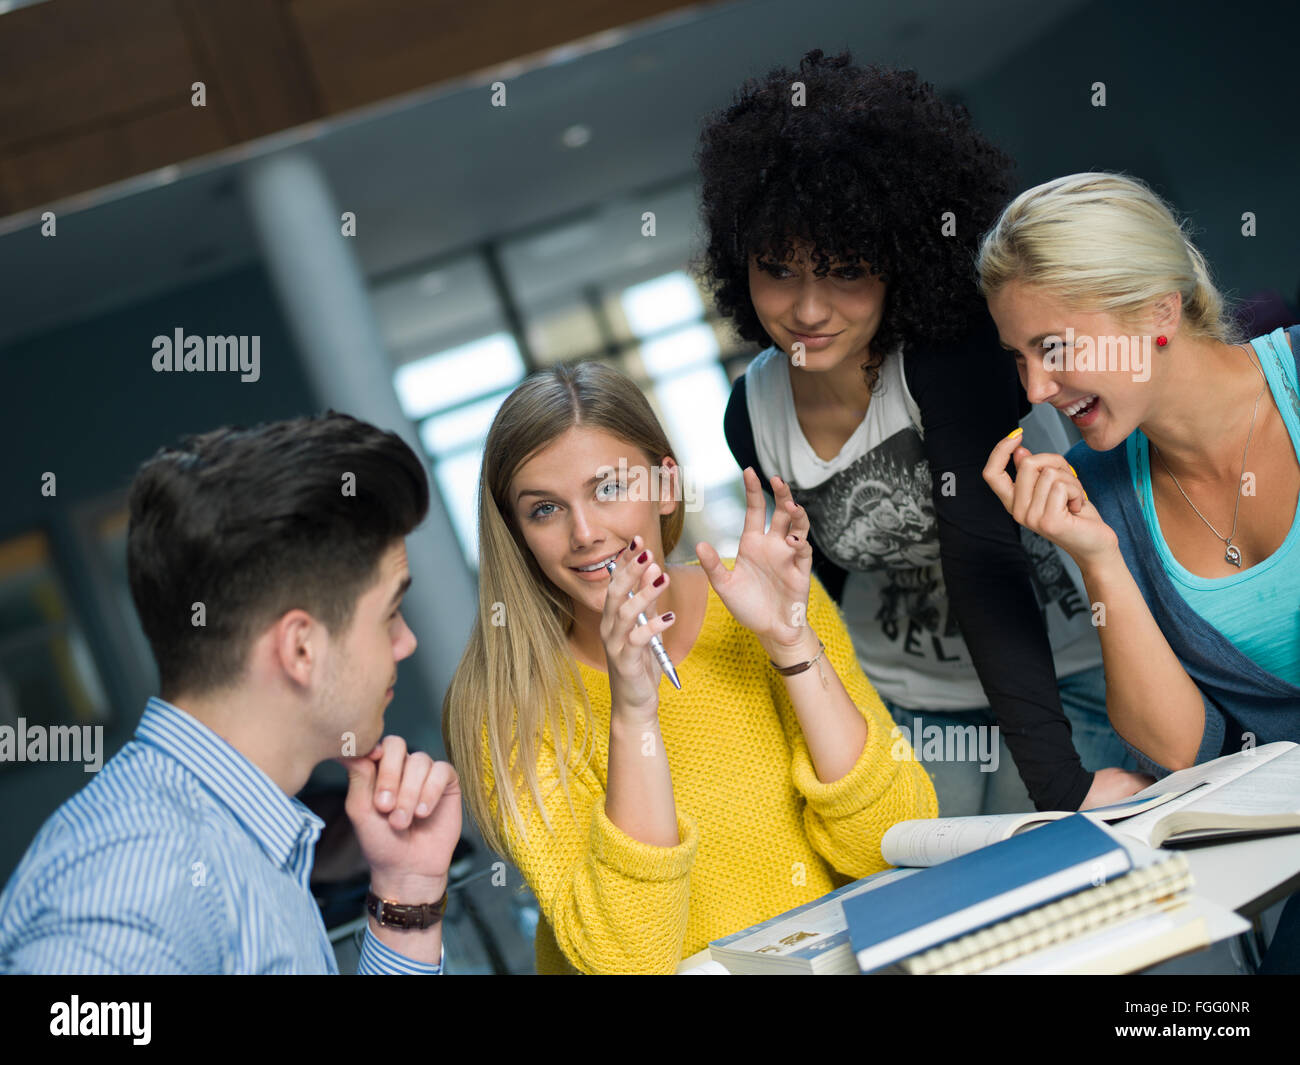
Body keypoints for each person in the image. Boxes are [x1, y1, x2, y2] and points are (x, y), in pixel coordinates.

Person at [699, 49, 1144, 817]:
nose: (807, 308)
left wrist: (1059, 784)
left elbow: (982, 558)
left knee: (1044, 865)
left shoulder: (948, 358)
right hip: (913, 701)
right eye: (779, 269)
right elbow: (825, 583)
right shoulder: (753, 410)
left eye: (844, 270)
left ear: (899, 261)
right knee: (937, 891)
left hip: (1064, 673)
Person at [441, 361, 935, 975]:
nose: (586, 533)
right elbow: (629, 957)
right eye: (545, 510)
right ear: (516, 533)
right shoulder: (506, 703)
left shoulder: (765, 600)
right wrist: (634, 710)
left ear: (665, 486)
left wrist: (789, 641)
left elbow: (896, 839)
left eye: (610, 488)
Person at [976, 170, 1299, 973]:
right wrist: (1097, 559)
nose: (1036, 390)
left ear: (1159, 311)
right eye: (1019, 358)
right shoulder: (1107, 492)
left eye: (1052, 350)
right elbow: (1190, 751)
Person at [0, 413, 460, 974]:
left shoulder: (241, 836)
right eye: (390, 613)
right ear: (300, 650)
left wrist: (406, 894)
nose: (406, 641)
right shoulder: (143, 878)